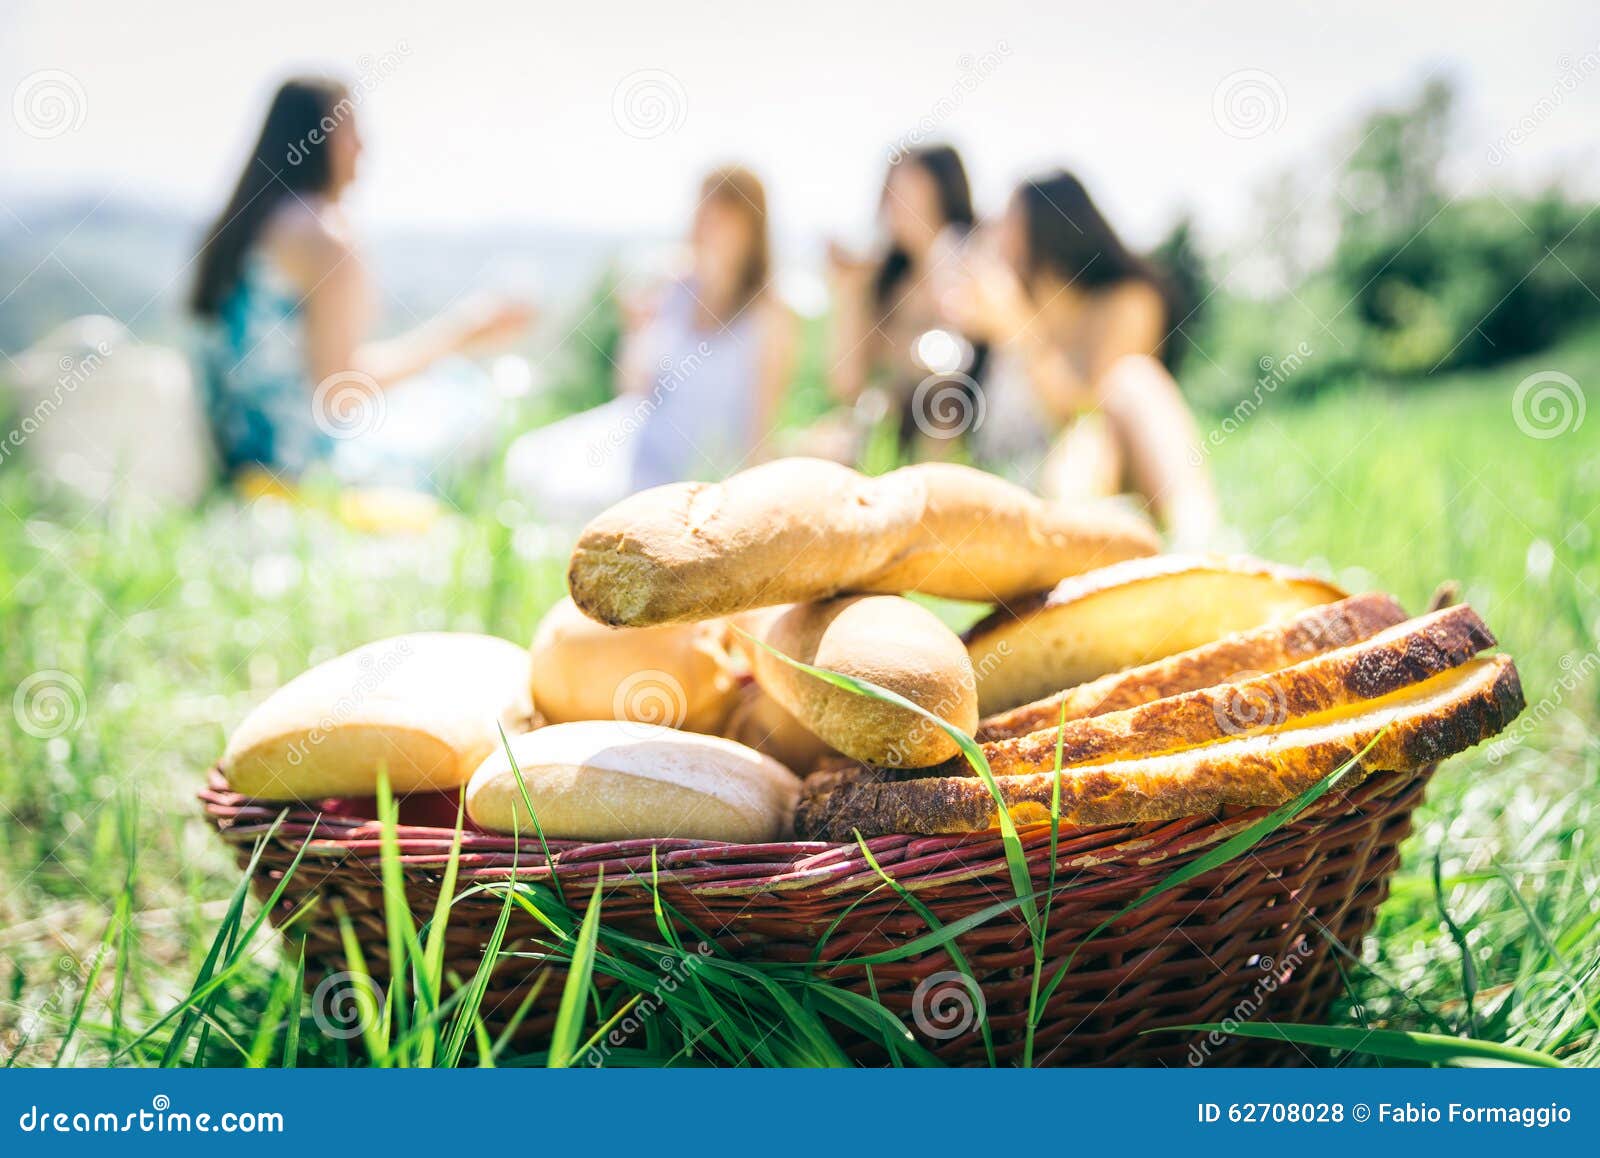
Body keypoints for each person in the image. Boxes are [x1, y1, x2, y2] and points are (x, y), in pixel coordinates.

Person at [190, 77, 533, 484]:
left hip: (237, 448)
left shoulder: (243, 227)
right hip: (302, 462)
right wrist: (464, 330)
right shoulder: (325, 238)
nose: (363, 149)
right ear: (316, 139)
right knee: (471, 396)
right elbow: (340, 391)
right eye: (349, 131)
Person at [948, 170, 1220, 547]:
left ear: (1047, 228)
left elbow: (1088, 408)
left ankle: (1202, 541)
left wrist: (1020, 333)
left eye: (1009, 222)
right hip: (1021, 481)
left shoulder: (1128, 299)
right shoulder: (992, 314)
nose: (995, 235)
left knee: (1132, 382)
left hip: (1099, 460)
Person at [619, 165, 796, 491]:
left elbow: (760, 428)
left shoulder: (770, 315)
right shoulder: (672, 289)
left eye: (722, 216)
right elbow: (633, 391)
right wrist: (635, 330)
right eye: (703, 211)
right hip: (644, 463)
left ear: (751, 228)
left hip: (711, 480)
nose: (706, 225)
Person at [824, 145, 986, 456]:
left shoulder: (976, 262)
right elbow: (846, 384)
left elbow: (960, 358)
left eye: (911, 194)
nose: (896, 208)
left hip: (963, 425)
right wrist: (849, 292)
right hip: (890, 429)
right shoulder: (883, 281)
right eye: (892, 194)